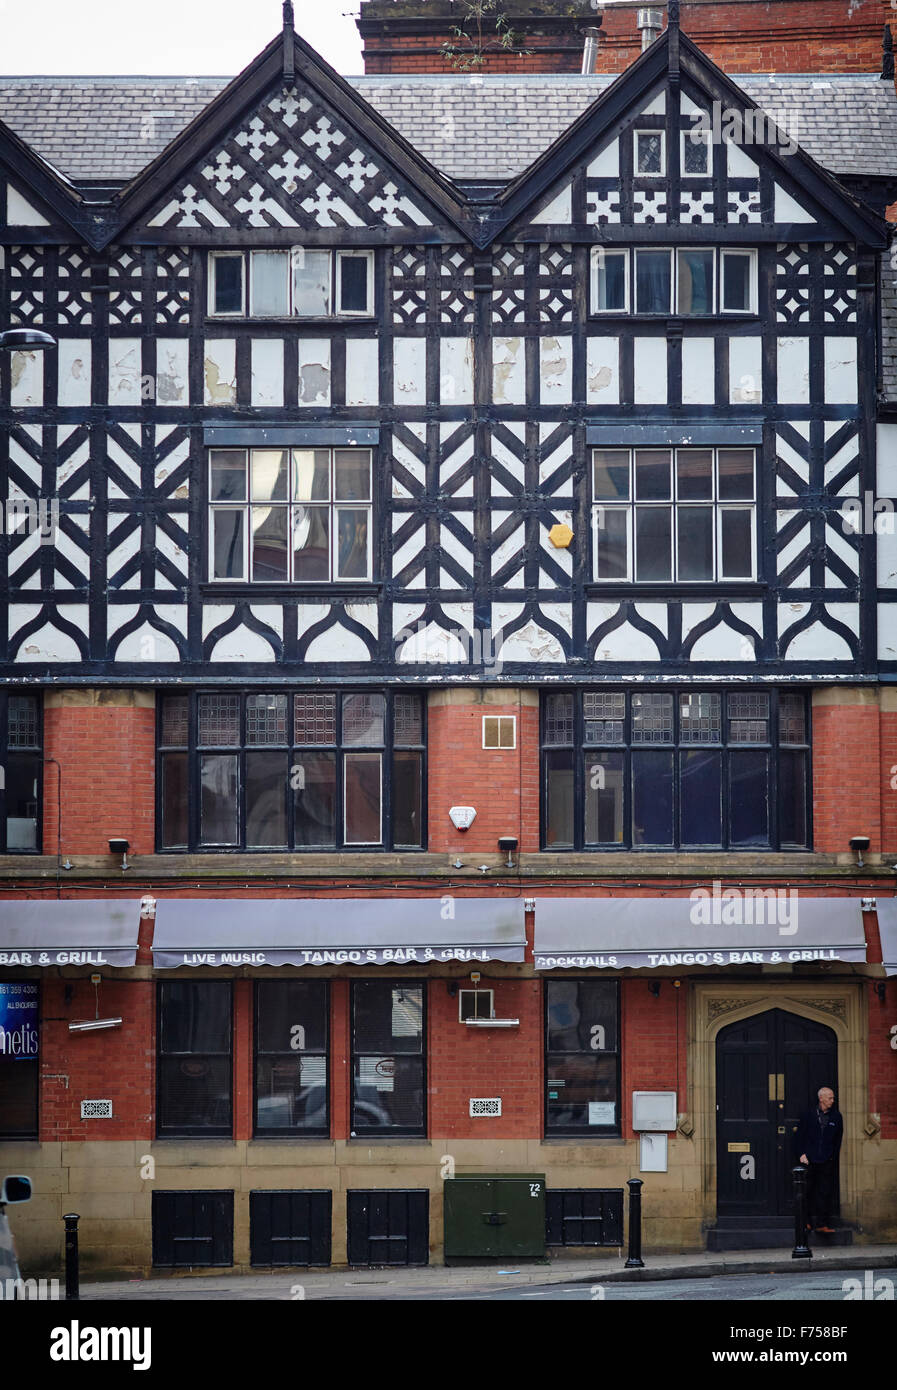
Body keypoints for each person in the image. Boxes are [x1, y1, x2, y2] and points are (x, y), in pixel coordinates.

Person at [794, 1086, 843, 1234]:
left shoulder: (836, 1117)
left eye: (833, 1098)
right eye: (830, 1098)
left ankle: (822, 1224)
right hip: (809, 1160)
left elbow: (837, 1140)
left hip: (826, 1160)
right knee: (807, 1192)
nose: (832, 1100)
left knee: (824, 1192)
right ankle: (806, 1222)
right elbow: (798, 1138)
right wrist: (802, 1154)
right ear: (821, 1098)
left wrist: (832, 1157)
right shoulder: (808, 1115)